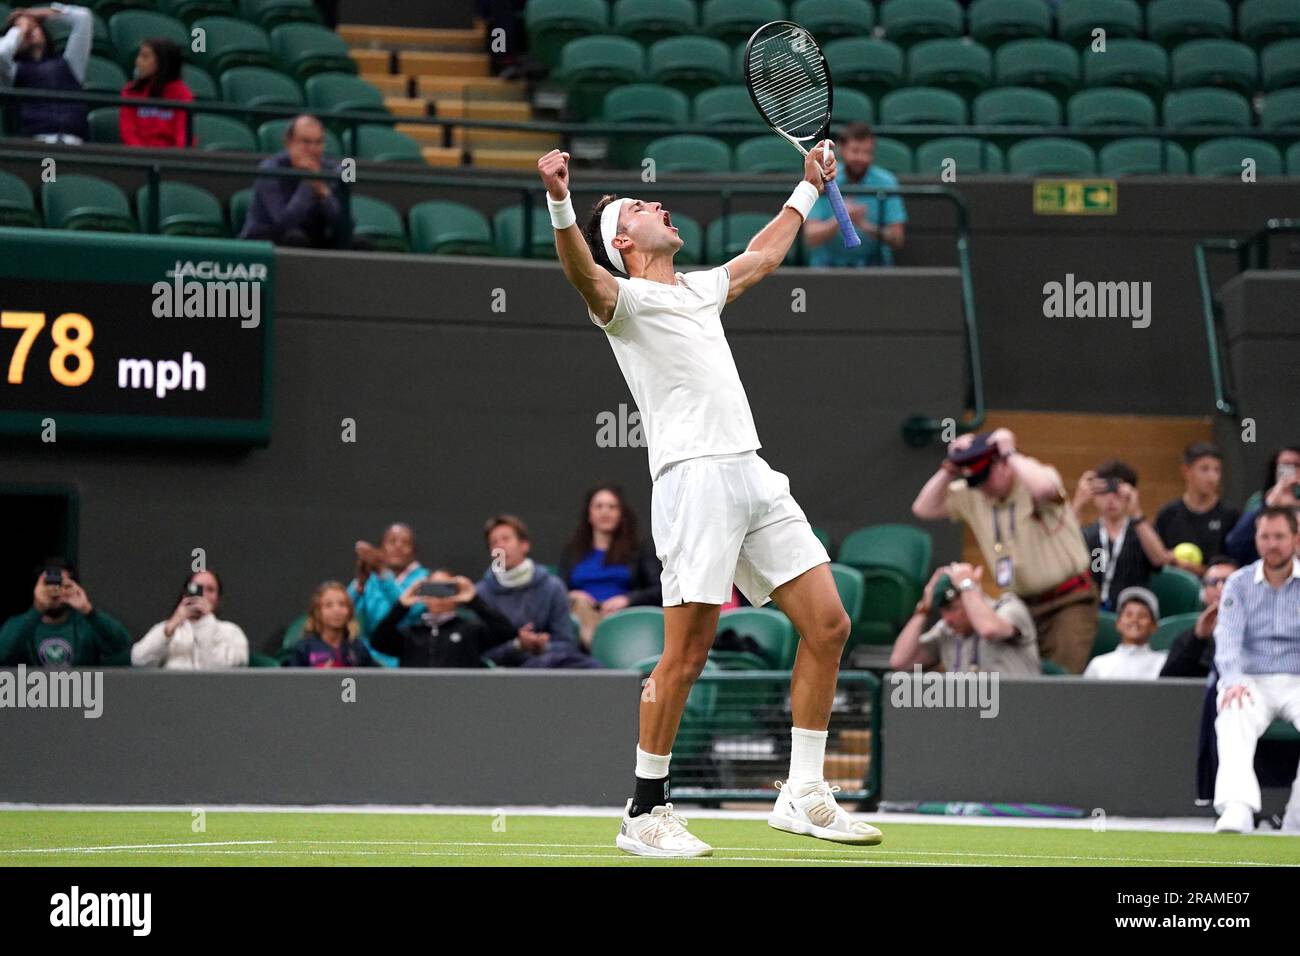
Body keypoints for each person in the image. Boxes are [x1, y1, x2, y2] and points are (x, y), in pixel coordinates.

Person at [538, 139, 880, 858]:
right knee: (685, 655)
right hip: (692, 483)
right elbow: (582, 276)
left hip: (753, 473)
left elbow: (761, 256)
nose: (658, 202)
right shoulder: (621, 299)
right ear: (625, 242)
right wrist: (561, 201)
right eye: (640, 206)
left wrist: (810, 186)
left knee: (828, 624)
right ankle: (644, 809)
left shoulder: (698, 287)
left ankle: (804, 791)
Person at [912, 429, 1099, 674]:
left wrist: (1009, 451)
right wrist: (951, 468)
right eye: (974, 481)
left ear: (1002, 464)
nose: (982, 489)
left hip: (1067, 601)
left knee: (1060, 685)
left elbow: (1044, 488)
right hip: (1019, 607)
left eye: (985, 478)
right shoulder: (975, 493)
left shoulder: (1031, 478)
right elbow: (923, 508)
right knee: (1020, 682)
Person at [1211, 506, 1300, 833]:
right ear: (1256, 540)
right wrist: (1231, 680)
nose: (1272, 544)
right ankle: (1238, 807)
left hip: (1298, 680)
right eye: (1265, 536)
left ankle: (1297, 816)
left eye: (1279, 536)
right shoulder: (1238, 582)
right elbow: (1228, 636)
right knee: (1232, 709)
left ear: (1295, 539)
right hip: (1252, 680)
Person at [476, 514, 601, 669]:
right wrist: (517, 646)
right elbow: (482, 654)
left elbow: (567, 643)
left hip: (552, 664)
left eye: (506, 539)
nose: (500, 547)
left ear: (524, 545)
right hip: (508, 673)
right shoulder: (481, 594)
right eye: (494, 543)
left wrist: (542, 646)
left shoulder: (552, 586)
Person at [560, 483, 662, 649]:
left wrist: (627, 599)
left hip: (623, 618)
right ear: (589, 514)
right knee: (580, 609)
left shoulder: (638, 550)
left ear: (621, 514)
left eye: (612, 507)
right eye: (599, 506)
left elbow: (658, 590)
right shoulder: (573, 550)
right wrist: (572, 595)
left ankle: (600, 651)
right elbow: (558, 588)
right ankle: (601, 649)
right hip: (583, 613)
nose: (605, 512)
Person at [239, 114, 366, 248]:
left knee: (360, 243)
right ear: (289, 142)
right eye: (306, 142)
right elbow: (283, 224)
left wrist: (324, 194)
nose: (313, 149)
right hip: (265, 241)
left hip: (309, 239)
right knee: (295, 238)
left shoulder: (331, 169)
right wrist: (308, 183)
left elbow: (347, 226)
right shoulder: (269, 169)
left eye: (318, 142)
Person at [890, 564, 1039, 676]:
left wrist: (967, 584)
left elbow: (988, 629)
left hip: (1018, 710)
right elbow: (900, 661)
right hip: (971, 713)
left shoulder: (1008, 608)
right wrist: (923, 609)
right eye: (942, 611)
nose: (947, 619)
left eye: (953, 609)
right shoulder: (946, 631)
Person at [802, 122, 906, 268]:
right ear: (842, 150)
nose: (861, 158)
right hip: (827, 267)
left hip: (874, 267)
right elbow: (811, 237)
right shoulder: (822, 178)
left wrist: (865, 225)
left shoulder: (887, 182)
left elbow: (897, 240)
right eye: (855, 151)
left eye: (867, 153)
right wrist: (842, 218)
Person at [1075, 460, 1171, 611]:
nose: (1111, 499)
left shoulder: (1142, 532)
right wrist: (1079, 503)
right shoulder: (1089, 534)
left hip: (1134, 613)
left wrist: (1136, 512)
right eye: (1105, 492)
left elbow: (1159, 560)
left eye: (1118, 492)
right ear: (1095, 496)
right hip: (1094, 611)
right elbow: (1062, 553)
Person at [370, 569, 515, 667]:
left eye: (445, 589)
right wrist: (402, 606)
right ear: (424, 594)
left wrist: (473, 600)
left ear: (455, 594)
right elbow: (377, 641)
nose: (439, 596)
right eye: (433, 589)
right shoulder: (411, 634)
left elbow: (506, 632)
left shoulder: (471, 630)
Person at [0, 560, 131, 666]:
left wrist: (88, 611)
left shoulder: (85, 624)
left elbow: (123, 647)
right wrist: (37, 610)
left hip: (81, 694)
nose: (55, 591)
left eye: (62, 585)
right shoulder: (23, 624)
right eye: (48, 585)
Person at [0, 4, 92, 143]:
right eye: (24, 30)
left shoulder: (70, 63)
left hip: (74, 144)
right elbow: (1, 53)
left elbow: (83, 17)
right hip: (38, 144)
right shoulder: (13, 71)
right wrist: (20, 28)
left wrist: (34, 12)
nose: (29, 30)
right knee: (49, 165)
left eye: (35, 26)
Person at [347, 522, 429, 668]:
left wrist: (382, 573)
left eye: (405, 543)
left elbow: (411, 609)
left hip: (408, 656)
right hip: (369, 658)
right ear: (381, 549)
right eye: (392, 541)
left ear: (414, 551)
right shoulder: (371, 578)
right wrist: (359, 584)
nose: (398, 546)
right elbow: (345, 612)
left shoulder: (425, 578)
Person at [131, 570, 249, 669]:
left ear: (218, 599)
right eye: (198, 589)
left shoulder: (231, 632)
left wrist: (205, 621)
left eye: (210, 590)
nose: (203, 595)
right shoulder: (167, 629)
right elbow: (139, 661)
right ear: (185, 594)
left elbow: (223, 670)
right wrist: (169, 629)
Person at [1154, 442, 1240, 576]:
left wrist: (1197, 570)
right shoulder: (1167, 514)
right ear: (1186, 471)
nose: (1212, 478)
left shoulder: (1231, 515)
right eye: (1204, 469)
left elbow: (1235, 566)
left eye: (1217, 470)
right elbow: (1157, 559)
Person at [1160, 557, 1238, 679]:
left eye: (1228, 581)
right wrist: (1197, 639)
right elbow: (1169, 683)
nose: (1220, 587)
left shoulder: (1258, 631)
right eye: (1213, 582)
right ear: (1204, 591)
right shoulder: (1188, 637)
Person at [1224, 445, 1300, 567]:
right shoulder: (1260, 500)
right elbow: (1235, 543)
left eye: (1296, 465)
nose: (1291, 472)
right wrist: (1270, 504)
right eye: (1285, 465)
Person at [118, 37, 192, 148]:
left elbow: (182, 136)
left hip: (170, 159)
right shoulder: (130, 91)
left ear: (162, 63)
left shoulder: (182, 95)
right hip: (137, 158)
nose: (138, 61)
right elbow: (128, 132)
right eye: (139, 56)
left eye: (145, 57)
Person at [1083, 587, 1167, 679]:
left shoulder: (1163, 663)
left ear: (1153, 626)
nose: (1134, 620)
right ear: (1118, 623)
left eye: (1142, 615)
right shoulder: (1099, 665)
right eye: (1128, 614)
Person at [287, 581, 374, 667]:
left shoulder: (358, 647)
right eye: (328, 605)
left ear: (349, 612)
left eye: (342, 604)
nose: (336, 610)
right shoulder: (304, 648)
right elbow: (292, 680)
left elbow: (376, 678)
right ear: (317, 612)